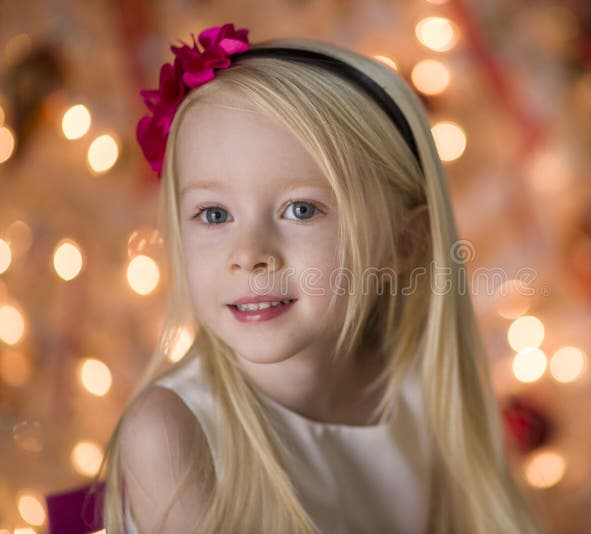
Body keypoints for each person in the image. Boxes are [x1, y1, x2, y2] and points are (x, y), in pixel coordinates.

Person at [93, 23, 541, 533]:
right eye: (214, 214)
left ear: (406, 243)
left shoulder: (420, 392)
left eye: (301, 209)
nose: (249, 255)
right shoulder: (173, 432)